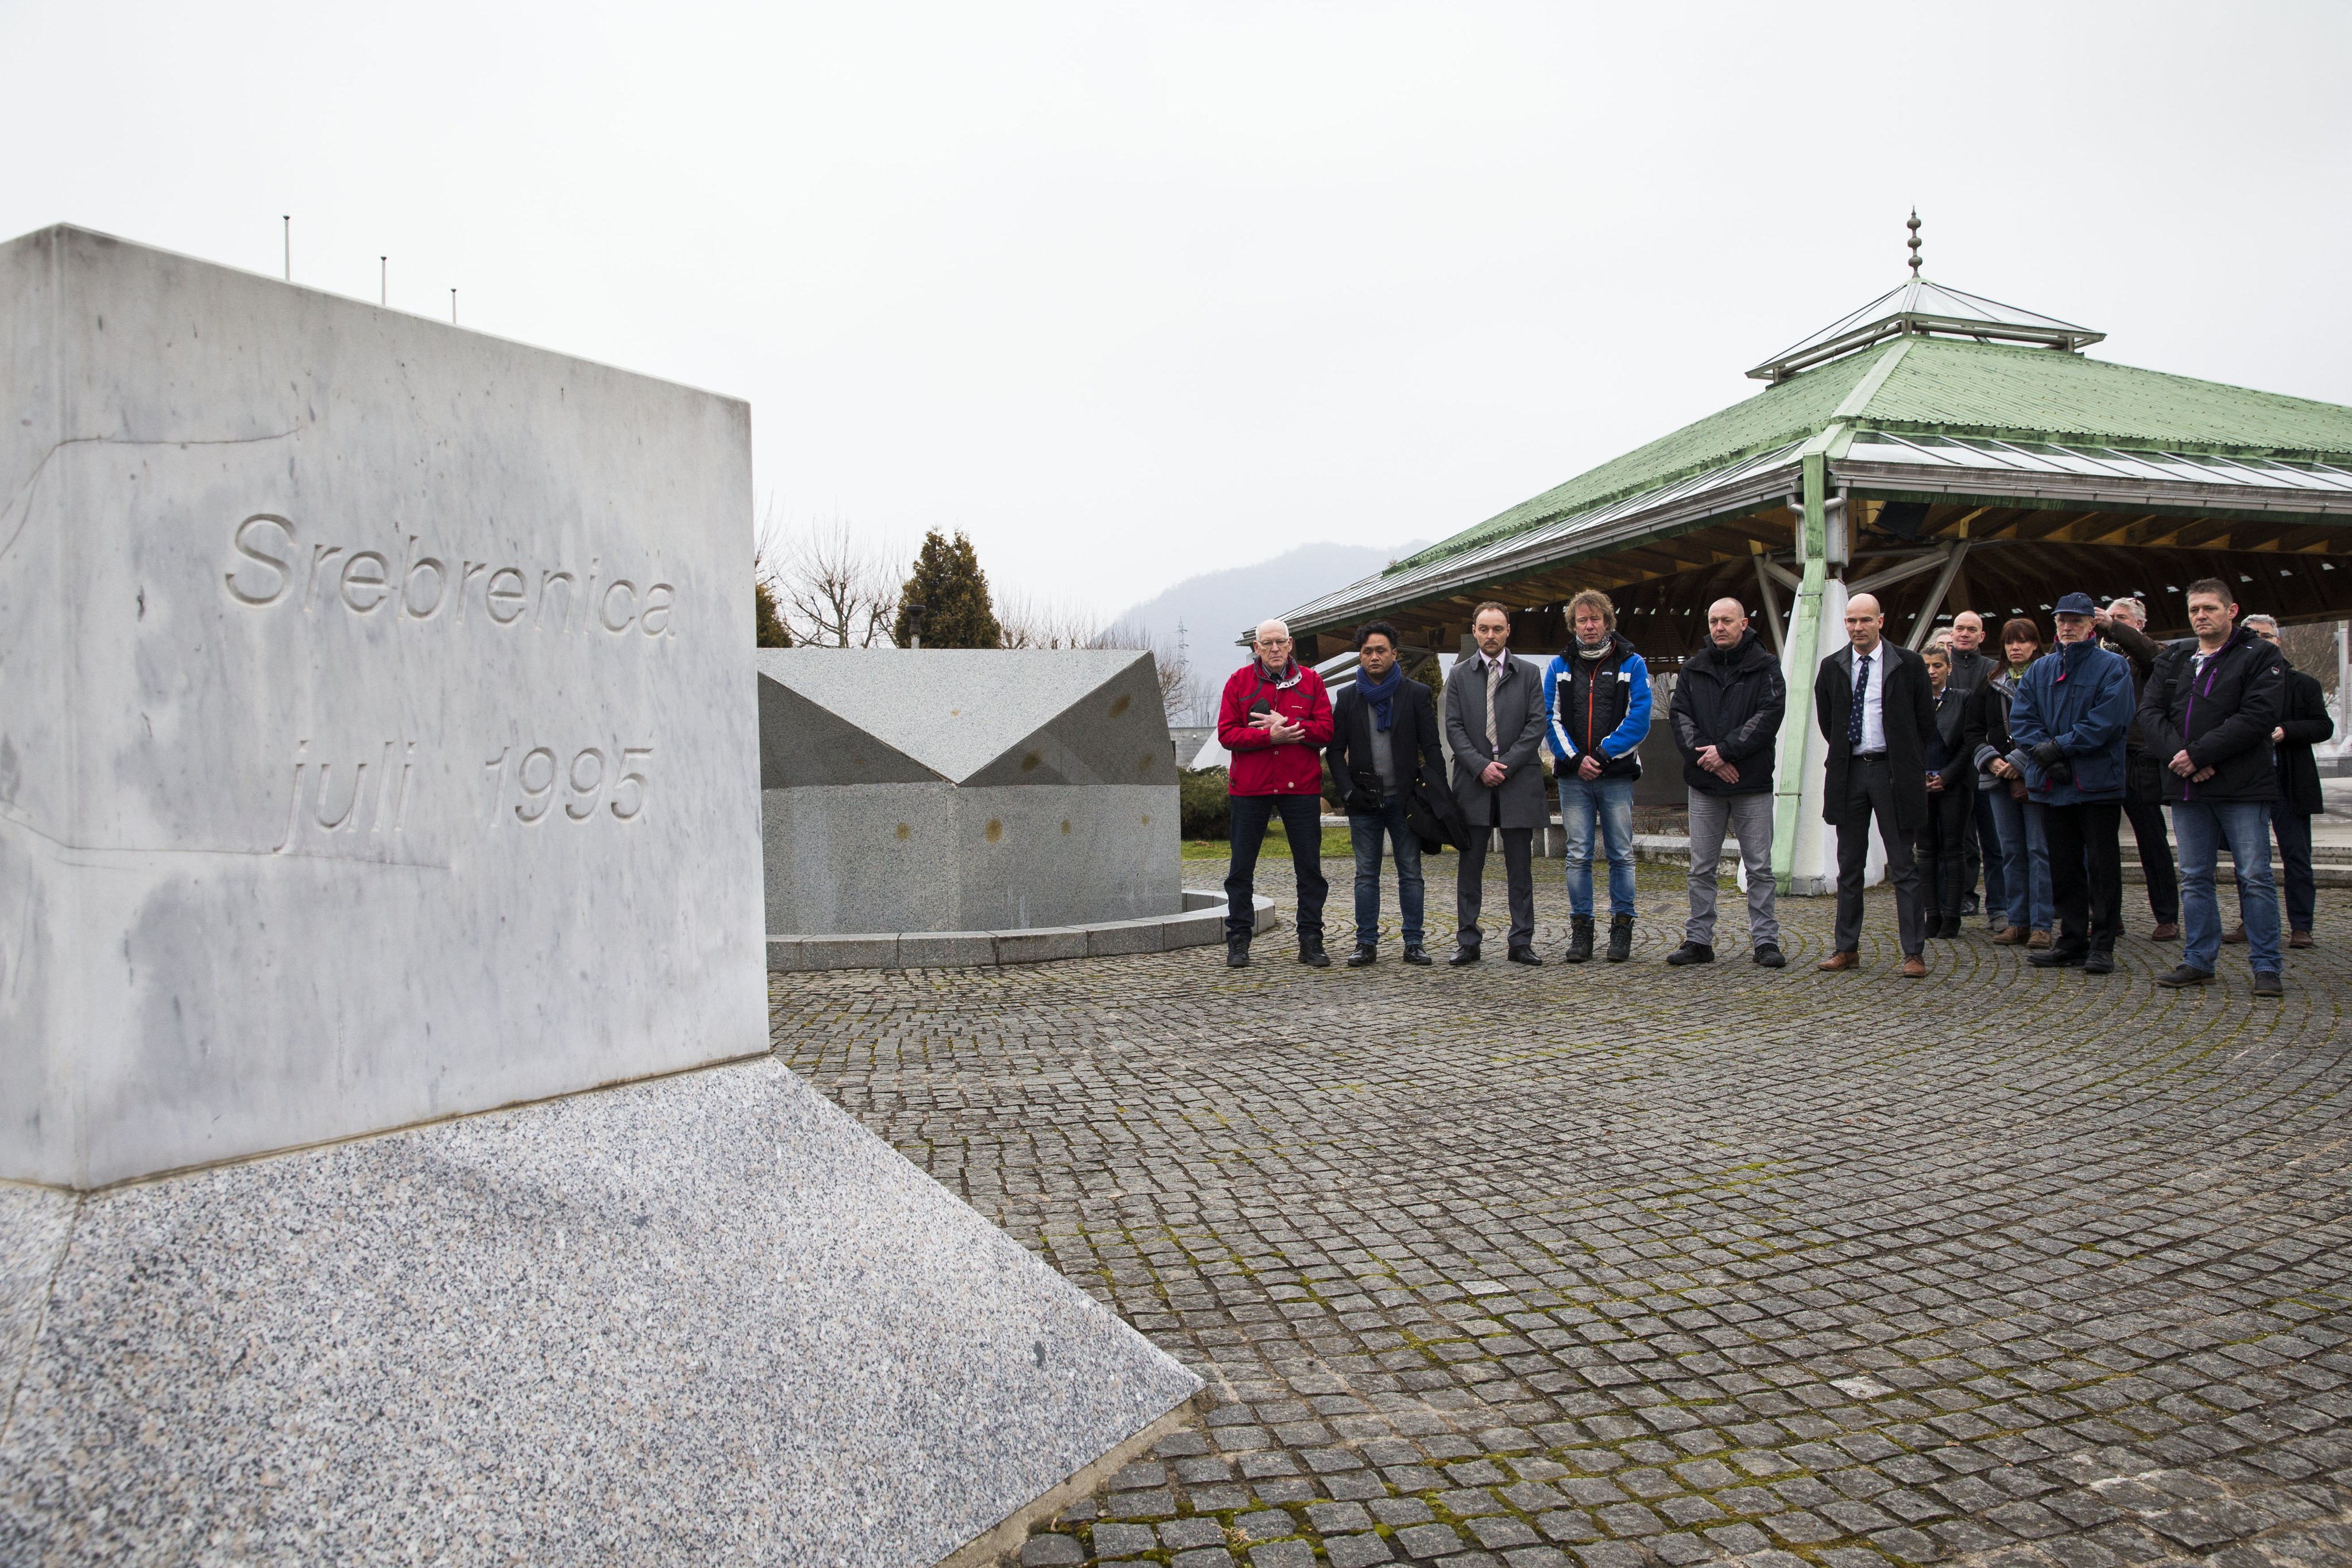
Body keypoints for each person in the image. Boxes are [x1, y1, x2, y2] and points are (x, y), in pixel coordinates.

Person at [2140, 579, 2287, 995]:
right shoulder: (2177, 656)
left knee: (2255, 876)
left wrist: (2200, 755)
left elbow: (2257, 715)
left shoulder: (2261, 654)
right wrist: (2184, 758)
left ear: (2232, 610)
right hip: (2187, 787)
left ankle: (2266, 966)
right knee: (2194, 876)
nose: (2201, 616)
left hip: (2242, 787)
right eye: (2195, 610)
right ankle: (2199, 960)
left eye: (2210, 608)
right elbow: (2150, 713)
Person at [2006, 593, 2134, 974]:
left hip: (2097, 784)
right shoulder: (2040, 669)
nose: (2068, 626)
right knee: (2062, 867)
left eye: (2076, 620)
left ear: (2091, 625)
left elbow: (2109, 721)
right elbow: (2023, 718)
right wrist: (2045, 754)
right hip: (2052, 785)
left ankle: (2103, 943)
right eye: (2062, 620)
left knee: (2102, 866)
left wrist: (2057, 749)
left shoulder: (2113, 667)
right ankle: (2072, 939)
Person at [1813, 593, 1936, 976]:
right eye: (1851, 621)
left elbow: (1925, 721)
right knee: (1849, 864)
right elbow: (1827, 719)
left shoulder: (1908, 664)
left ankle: (1913, 952)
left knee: (1903, 863)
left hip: (1892, 772)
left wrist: (1905, 758)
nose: (1857, 628)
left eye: (1865, 620)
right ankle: (1846, 948)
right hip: (1850, 771)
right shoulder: (1833, 666)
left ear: (1880, 621)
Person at [1666, 597, 1786, 967]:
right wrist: (1714, 761)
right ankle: (1699, 940)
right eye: (1714, 620)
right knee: (1701, 867)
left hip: (1751, 784)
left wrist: (1726, 752)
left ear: (1744, 623)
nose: (1719, 627)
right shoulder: (1693, 669)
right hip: (1705, 783)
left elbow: (1768, 716)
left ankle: (1765, 941)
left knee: (1759, 868)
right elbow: (1681, 718)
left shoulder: (1766, 667)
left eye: (1727, 621)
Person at [1544, 589, 1653, 963]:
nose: (1589, 626)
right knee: (1578, 854)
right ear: (1573, 624)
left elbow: (1639, 719)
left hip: (1616, 774)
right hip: (1574, 777)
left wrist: (1603, 755)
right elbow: (1550, 718)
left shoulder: (1632, 663)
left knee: (1621, 852)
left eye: (1595, 619)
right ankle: (1582, 930)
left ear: (1608, 621)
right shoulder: (1559, 666)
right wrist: (1575, 760)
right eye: (1581, 620)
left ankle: (1622, 927)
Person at [1217, 618, 1334, 968]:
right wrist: (1268, 738)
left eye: (1280, 642)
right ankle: (1238, 940)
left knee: (1310, 868)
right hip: (1250, 789)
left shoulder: (1312, 681)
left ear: (1290, 644)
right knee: (1241, 869)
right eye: (1266, 643)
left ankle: (1311, 940)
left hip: (1300, 788)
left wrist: (1290, 726)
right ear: (1256, 648)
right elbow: (1227, 735)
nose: (1274, 649)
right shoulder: (1238, 683)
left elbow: (1327, 731)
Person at [1325, 621, 1444, 966]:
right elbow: (1334, 751)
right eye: (1367, 652)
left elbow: (1432, 747)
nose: (1374, 657)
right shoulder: (1348, 697)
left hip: (1405, 800)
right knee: (1366, 874)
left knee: (1410, 871)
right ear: (1360, 656)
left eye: (1380, 650)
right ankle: (1366, 943)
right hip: (1364, 801)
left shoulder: (1416, 693)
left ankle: (1414, 943)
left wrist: (1436, 793)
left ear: (1394, 654)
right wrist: (1347, 792)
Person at [1446, 602, 1550, 966]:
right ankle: (1468, 941)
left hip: (1518, 780)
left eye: (1498, 629)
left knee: (1520, 868)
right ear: (1475, 631)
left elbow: (1537, 723)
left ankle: (1521, 941)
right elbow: (1454, 728)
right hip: (1473, 782)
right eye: (1484, 629)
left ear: (1509, 631)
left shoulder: (1529, 673)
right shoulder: (1458, 675)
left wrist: (1505, 765)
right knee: (1469, 868)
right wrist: (1480, 766)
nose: (1491, 635)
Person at [2092, 596, 2184, 940]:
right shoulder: (2100, 655)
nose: (2110, 623)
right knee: (2100, 843)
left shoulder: (2153, 652)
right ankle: (2106, 915)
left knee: (2151, 840)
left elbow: (2153, 657)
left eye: (2121, 618)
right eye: (2108, 617)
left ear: (2140, 624)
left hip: (2137, 755)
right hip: (2103, 754)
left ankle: (2166, 915)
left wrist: (2112, 626)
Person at [2243, 615, 2332, 949]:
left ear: (2278, 640)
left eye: (2267, 636)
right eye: (2254, 636)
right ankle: (2249, 922)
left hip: (2289, 782)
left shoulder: (2303, 684)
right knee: (2249, 860)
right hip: (2248, 784)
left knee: (2296, 856)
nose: (2262, 641)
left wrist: (2287, 731)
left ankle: (2301, 926)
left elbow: (2324, 727)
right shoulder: (2236, 681)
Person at [1974, 619, 2055, 948]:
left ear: (2035, 644)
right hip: (1997, 778)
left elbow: (2052, 727)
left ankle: (2041, 924)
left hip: (2036, 775)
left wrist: (2019, 762)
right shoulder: (1990, 683)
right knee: (2010, 851)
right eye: (2009, 642)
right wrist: (1991, 760)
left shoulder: (2048, 679)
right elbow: (1974, 729)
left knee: (2039, 850)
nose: (2015, 648)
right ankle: (2017, 920)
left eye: (2022, 641)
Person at [1916, 644, 1982, 940]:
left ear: (1949, 668)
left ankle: (1953, 915)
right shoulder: (1914, 702)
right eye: (1927, 666)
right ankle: (1932, 914)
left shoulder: (1963, 699)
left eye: (1938, 666)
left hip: (1954, 784)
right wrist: (1920, 778)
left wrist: (1947, 775)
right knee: (1927, 852)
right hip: (1921, 784)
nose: (1932, 671)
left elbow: (1969, 742)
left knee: (1955, 850)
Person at [1942, 610, 2001, 922]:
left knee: (1995, 843)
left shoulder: (1993, 670)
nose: (1964, 634)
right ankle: (1963, 898)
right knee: (1961, 843)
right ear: (1952, 634)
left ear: (1982, 636)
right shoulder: (1942, 670)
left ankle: (2000, 905)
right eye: (1959, 628)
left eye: (1971, 629)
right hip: (1955, 771)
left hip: (1987, 767)